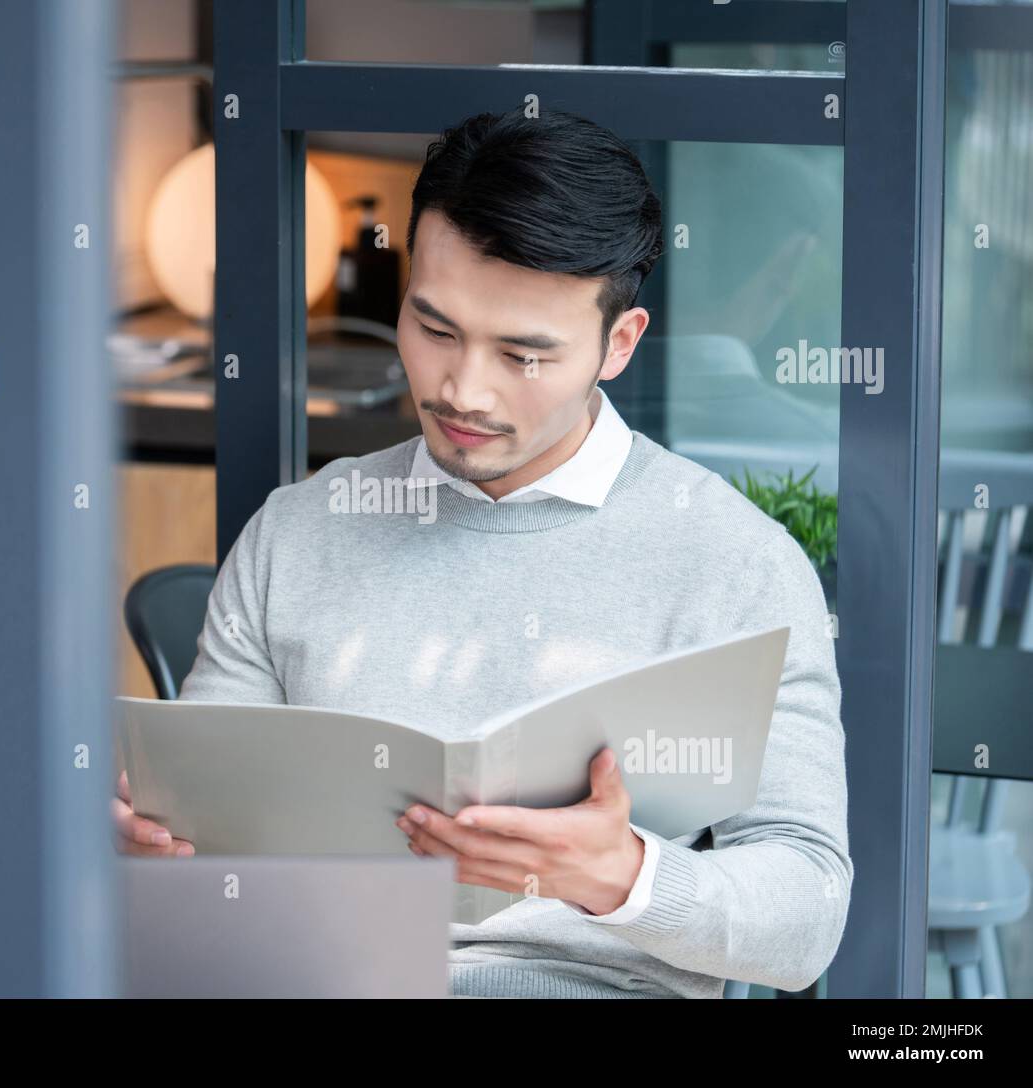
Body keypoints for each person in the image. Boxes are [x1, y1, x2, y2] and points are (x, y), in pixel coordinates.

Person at [113, 108, 852, 999]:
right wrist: (150, 847)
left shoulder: (736, 565)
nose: (463, 389)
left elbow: (805, 915)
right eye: (435, 330)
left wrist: (625, 880)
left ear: (618, 344)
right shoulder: (297, 533)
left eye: (522, 354)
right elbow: (204, 845)